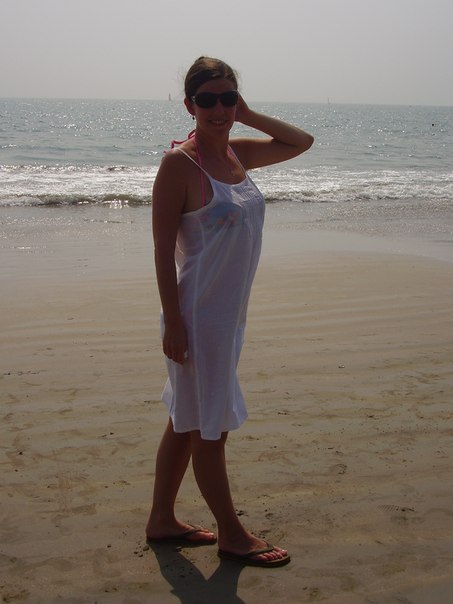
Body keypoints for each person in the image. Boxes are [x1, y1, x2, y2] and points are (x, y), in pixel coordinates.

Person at [146, 57, 313, 568]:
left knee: (186, 420)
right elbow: (161, 251)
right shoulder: (180, 166)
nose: (218, 110)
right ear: (189, 105)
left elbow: (301, 142)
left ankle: (161, 520)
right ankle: (233, 535)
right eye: (208, 100)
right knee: (209, 429)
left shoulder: (238, 153)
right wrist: (174, 323)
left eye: (227, 99)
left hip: (228, 316)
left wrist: (249, 114)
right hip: (198, 321)